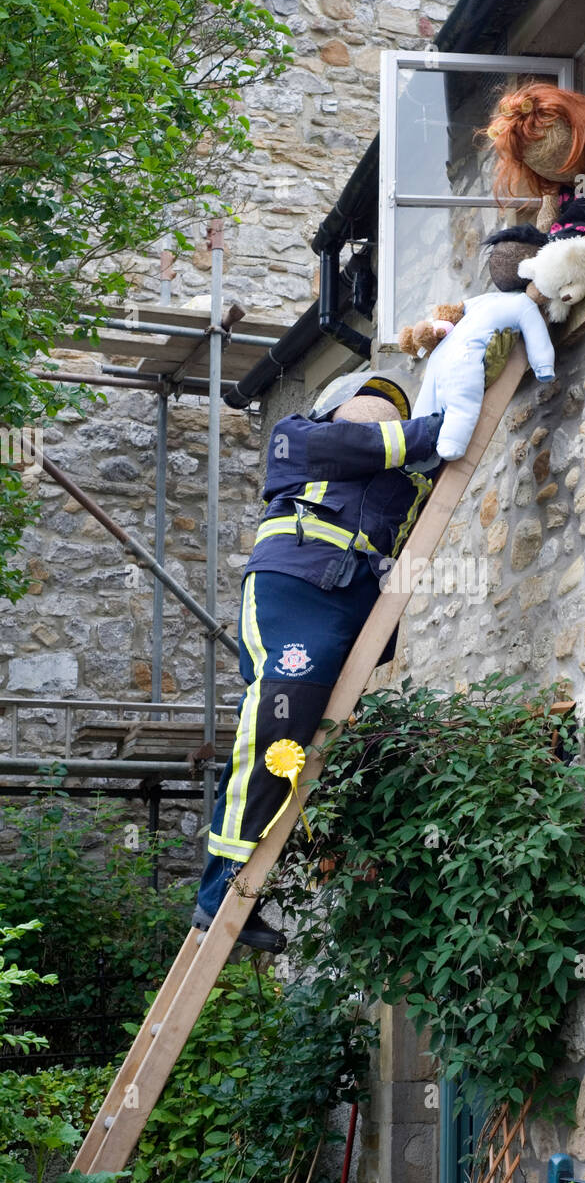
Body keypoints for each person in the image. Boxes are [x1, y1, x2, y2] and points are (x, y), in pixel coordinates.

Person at [192, 372, 443, 953]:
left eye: (392, 414)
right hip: (296, 590)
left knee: (303, 746)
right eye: (369, 410)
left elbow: (404, 538)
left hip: (347, 606)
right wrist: (437, 427)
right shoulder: (298, 438)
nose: (381, 421)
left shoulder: (397, 482)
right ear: (330, 413)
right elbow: (370, 445)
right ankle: (218, 894)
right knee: (276, 728)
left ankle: (248, 890)